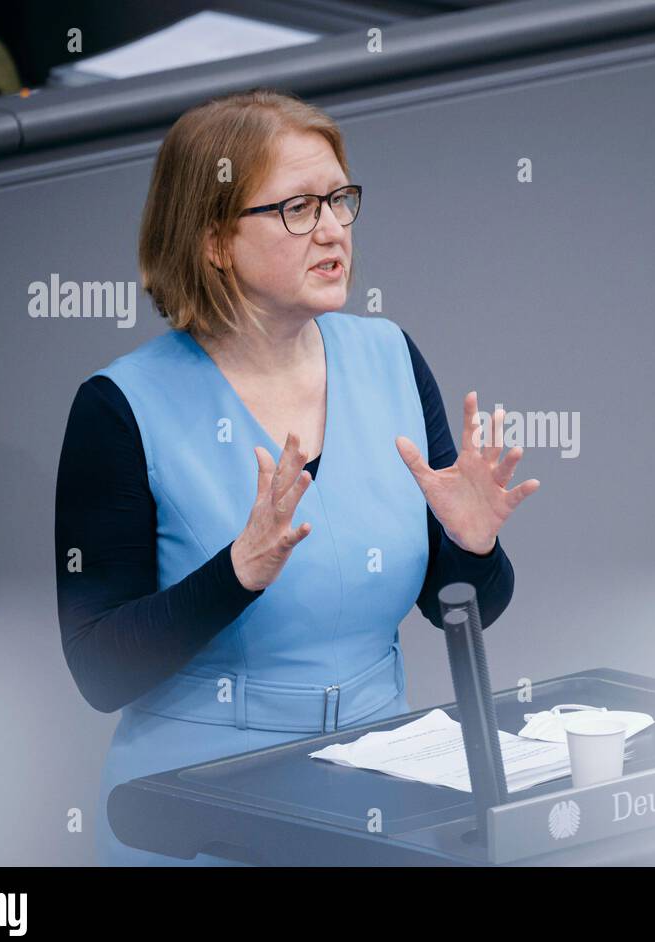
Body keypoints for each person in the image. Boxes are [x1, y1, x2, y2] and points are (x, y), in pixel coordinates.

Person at [54, 88, 539, 866]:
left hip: (378, 788)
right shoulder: (120, 409)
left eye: (341, 201)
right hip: (198, 806)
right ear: (214, 239)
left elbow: (463, 608)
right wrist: (237, 574)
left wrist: (472, 549)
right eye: (297, 209)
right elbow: (99, 668)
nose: (333, 230)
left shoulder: (389, 357)